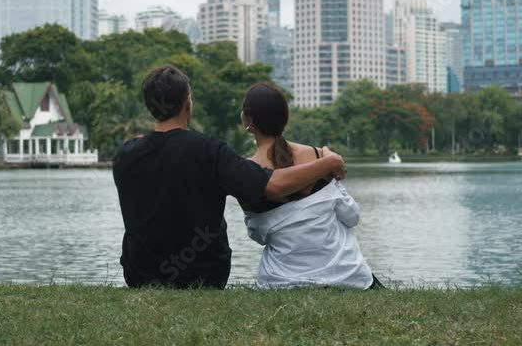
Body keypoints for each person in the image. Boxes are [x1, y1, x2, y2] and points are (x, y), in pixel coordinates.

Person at [112, 66, 347, 288]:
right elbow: (273, 185)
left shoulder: (125, 155)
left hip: (140, 275)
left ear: (149, 106)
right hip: (203, 275)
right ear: (188, 102)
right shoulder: (209, 151)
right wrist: (328, 162)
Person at [239, 82, 383, 289]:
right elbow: (351, 217)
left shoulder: (246, 172)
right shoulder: (320, 157)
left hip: (281, 282)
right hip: (346, 276)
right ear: (285, 118)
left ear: (248, 120)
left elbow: (258, 234)